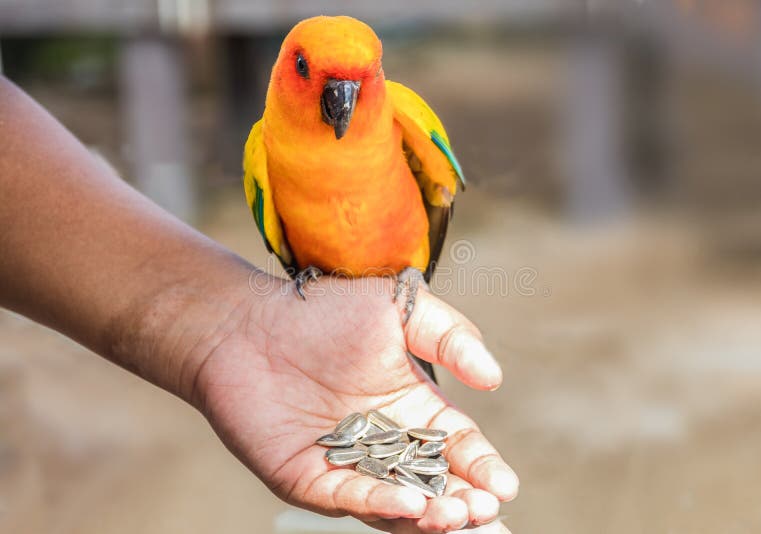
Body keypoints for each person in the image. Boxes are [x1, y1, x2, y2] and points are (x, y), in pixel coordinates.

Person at [0, 77, 518, 533]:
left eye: (359, 79)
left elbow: (439, 194)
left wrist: (411, 278)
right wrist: (247, 324)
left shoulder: (406, 115)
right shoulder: (262, 150)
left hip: (402, 266)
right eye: (308, 71)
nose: (340, 93)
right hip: (320, 277)